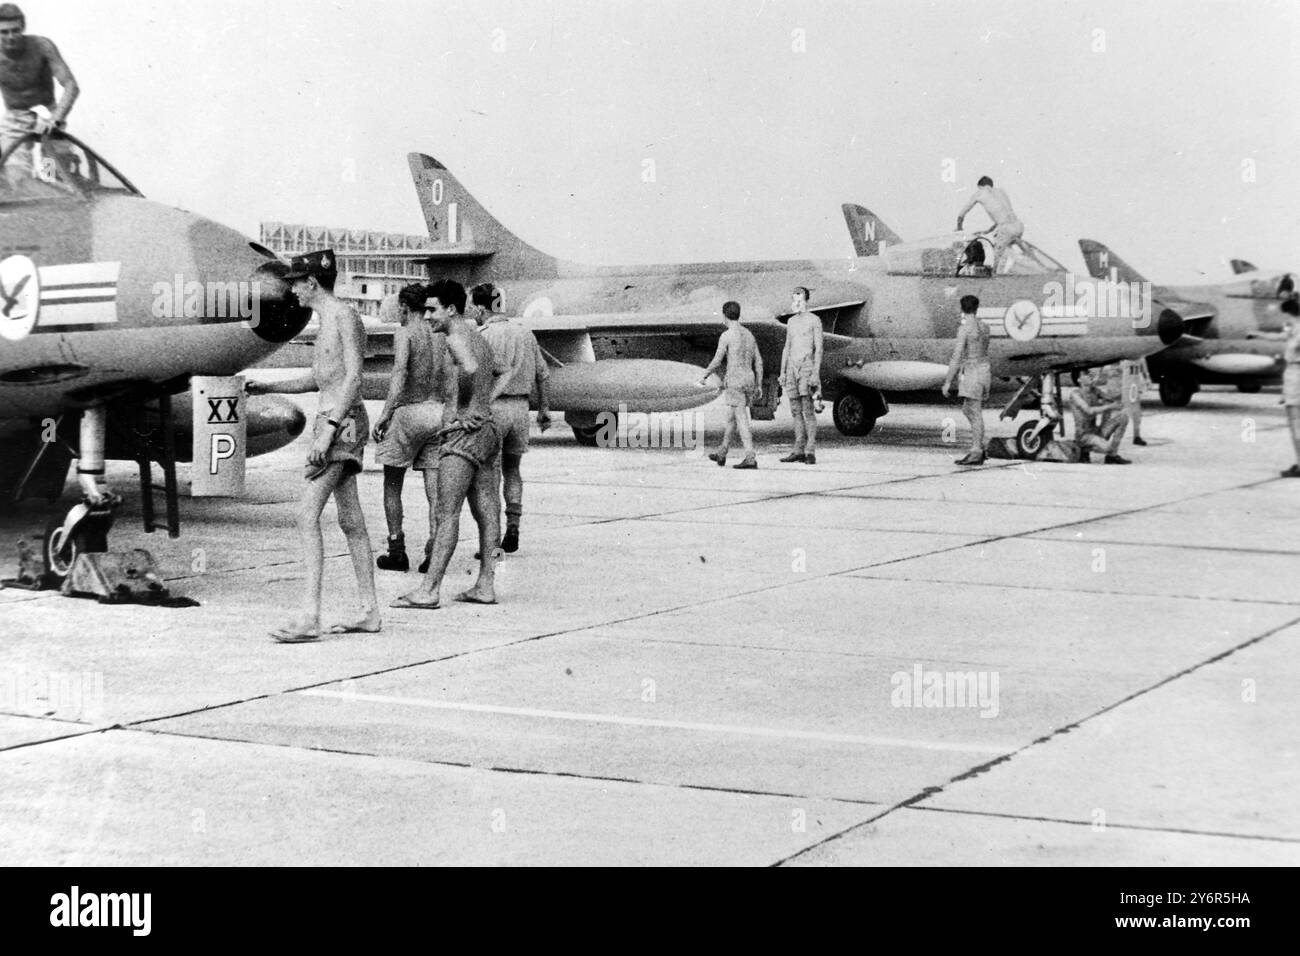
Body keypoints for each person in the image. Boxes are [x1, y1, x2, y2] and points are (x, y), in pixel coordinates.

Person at [246, 250, 381, 642]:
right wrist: (268, 385)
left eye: (295, 284)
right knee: (351, 521)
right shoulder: (329, 320)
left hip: (342, 423)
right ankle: (369, 611)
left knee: (307, 516)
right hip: (337, 420)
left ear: (311, 283)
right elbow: (321, 378)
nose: (292, 291)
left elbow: (354, 377)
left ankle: (309, 616)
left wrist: (328, 432)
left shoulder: (343, 316)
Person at [392, 279, 501, 609]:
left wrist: (463, 412)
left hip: (463, 436)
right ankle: (485, 584)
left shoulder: (455, 339)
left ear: (451, 309)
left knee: (446, 512)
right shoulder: (477, 337)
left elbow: (469, 368)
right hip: (488, 430)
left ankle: (429, 590)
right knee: (486, 508)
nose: (426, 316)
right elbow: (495, 371)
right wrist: (478, 407)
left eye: (431, 309)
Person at [372, 282, 447, 573]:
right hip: (437, 412)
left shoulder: (404, 332)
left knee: (392, 484)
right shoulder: (439, 334)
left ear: (404, 306)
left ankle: (396, 550)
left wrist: (385, 413)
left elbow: (400, 373)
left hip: (408, 413)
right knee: (435, 490)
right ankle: (433, 549)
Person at [473, 282, 552, 554]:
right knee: (513, 470)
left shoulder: (482, 334)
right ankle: (514, 525)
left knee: (488, 476)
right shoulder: (526, 333)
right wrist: (544, 409)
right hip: (521, 410)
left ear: (482, 308)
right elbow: (543, 374)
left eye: (476, 309)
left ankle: (491, 541)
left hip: (494, 410)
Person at [0, 4, 78, 187]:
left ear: (23, 28)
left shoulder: (42, 46)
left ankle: (53, 200)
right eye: (4, 32)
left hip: (48, 117)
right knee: (17, 177)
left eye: (15, 30)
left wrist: (56, 118)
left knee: (53, 173)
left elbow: (71, 85)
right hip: (16, 120)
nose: (10, 36)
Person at [699, 300, 763, 468]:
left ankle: (750, 456)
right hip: (749, 379)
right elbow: (759, 362)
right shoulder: (749, 335)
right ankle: (722, 452)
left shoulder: (726, 336)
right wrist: (759, 384)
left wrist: (704, 375)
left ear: (724, 316)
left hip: (735, 380)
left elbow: (717, 360)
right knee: (732, 418)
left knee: (741, 418)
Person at [942, 294, 991, 466]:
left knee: (975, 412)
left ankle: (977, 451)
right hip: (984, 370)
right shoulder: (985, 327)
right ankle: (979, 446)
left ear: (961, 308)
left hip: (972, 372)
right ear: (976, 308)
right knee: (968, 409)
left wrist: (948, 381)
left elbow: (956, 356)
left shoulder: (965, 329)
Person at [779, 287, 823, 464]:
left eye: (800, 298)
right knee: (795, 410)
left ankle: (810, 450)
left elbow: (819, 348)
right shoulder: (790, 321)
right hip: (791, 367)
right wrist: (782, 371)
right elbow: (787, 347)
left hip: (807, 366)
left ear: (806, 300)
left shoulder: (815, 320)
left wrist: (815, 373)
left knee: (808, 410)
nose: (797, 302)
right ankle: (798, 449)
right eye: (794, 298)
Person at [956, 176, 1024, 274]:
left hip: (1005, 229)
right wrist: (988, 230)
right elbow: (1004, 215)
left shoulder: (979, 193)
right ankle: (1041, 265)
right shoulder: (1001, 191)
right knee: (1012, 247)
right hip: (1018, 226)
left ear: (980, 186)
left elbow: (961, 215)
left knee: (996, 260)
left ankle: (996, 274)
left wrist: (959, 228)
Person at [1069, 369, 1131, 464]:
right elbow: (1089, 410)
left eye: (1090, 374)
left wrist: (1120, 392)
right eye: (1085, 374)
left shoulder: (1095, 391)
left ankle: (1112, 457)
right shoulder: (1075, 394)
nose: (1090, 376)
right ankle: (1083, 450)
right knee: (1108, 448)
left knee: (1123, 417)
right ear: (1079, 380)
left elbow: (1111, 399)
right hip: (1084, 436)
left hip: (1096, 431)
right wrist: (1109, 406)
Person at [1279, 299, 1300, 478]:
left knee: (1295, 422)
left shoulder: (1297, 329)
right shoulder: (1294, 328)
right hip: (1293, 373)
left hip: (1296, 374)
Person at [1119, 357, 1149, 446]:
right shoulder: (1124, 356)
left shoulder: (1140, 357)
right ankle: (1115, 436)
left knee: (1137, 414)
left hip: (1135, 386)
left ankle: (1137, 436)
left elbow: (1144, 371)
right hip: (1125, 387)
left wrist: (1147, 380)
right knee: (1124, 414)